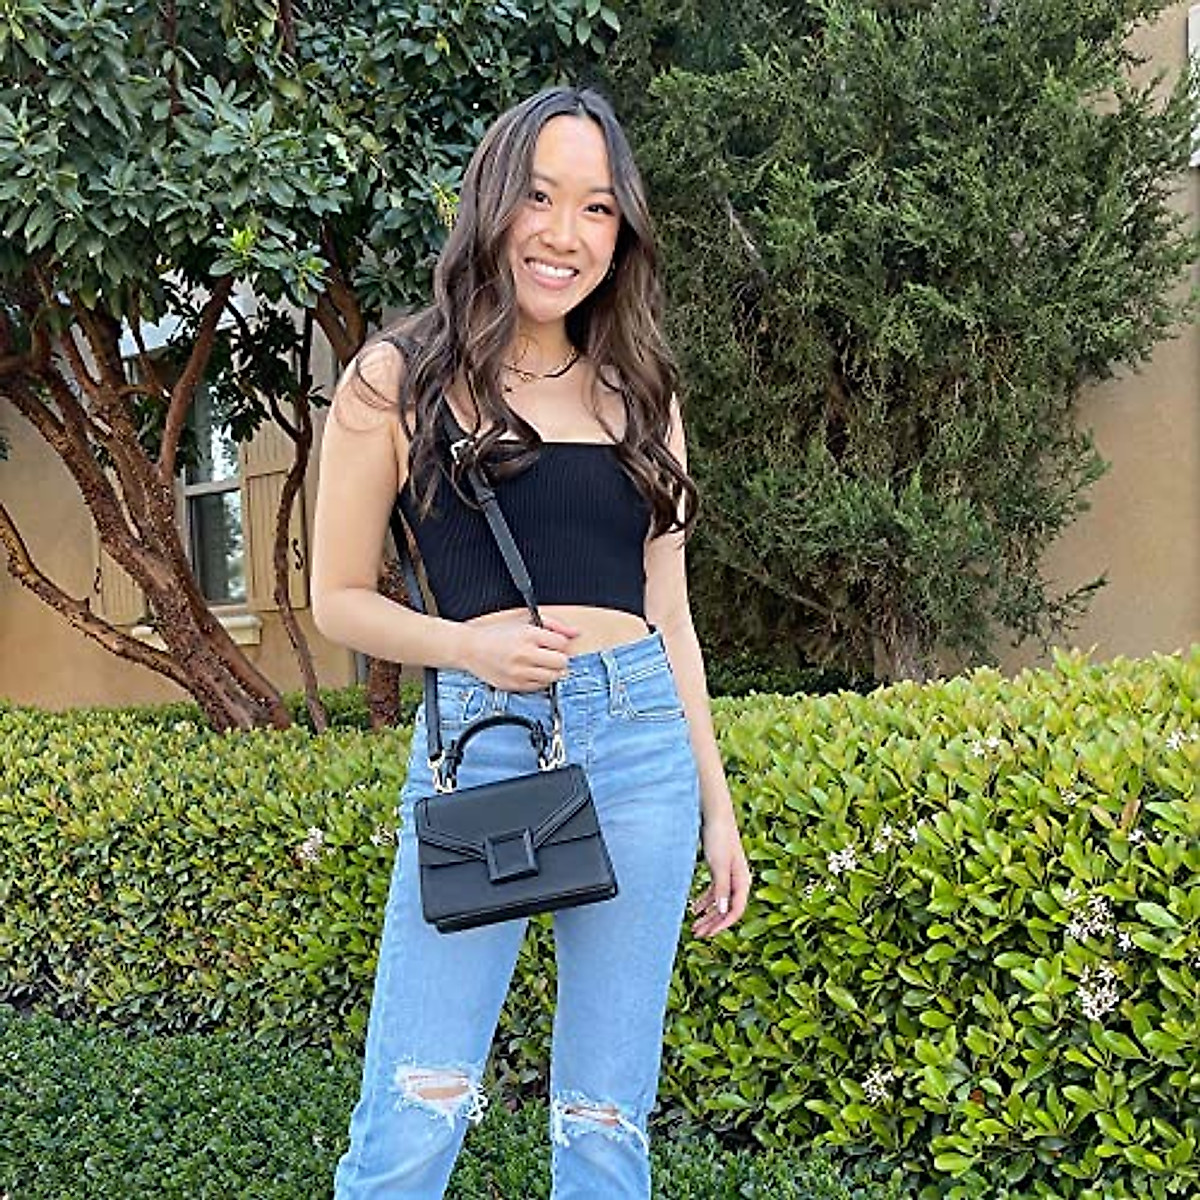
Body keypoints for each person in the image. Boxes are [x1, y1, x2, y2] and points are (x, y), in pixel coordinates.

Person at [311, 85, 751, 1200]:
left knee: (607, 1116)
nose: (565, 234)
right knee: (419, 1101)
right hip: (489, 739)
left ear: (623, 232)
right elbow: (336, 600)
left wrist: (717, 806)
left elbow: (671, 614)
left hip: (641, 745)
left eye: (597, 208)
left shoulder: (641, 389)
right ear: (493, 203)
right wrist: (468, 650)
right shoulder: (396, 379)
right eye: (541, 198)